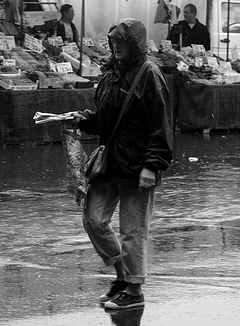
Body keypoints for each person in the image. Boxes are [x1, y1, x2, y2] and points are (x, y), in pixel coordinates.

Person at [74, 18, 173, 309]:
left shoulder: (150, 74)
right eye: (113, 43)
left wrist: (152, 165)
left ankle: (134, 292)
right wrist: (85, 119)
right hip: (109, 162)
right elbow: (107, 118)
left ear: (135, 45)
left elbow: (162, 124)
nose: (116, 48)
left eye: (121, 44)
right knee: (93, 219)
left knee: (132, 231)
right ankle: (122, 276)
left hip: (138, 165)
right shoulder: (110, 73)